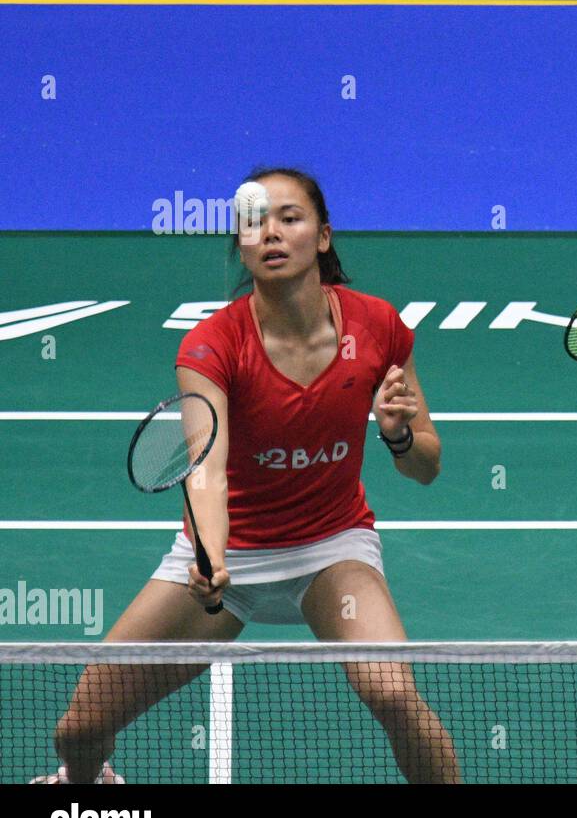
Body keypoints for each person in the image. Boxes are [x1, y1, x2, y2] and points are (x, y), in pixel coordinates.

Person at [36, 168, 459, 783]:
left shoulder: (378, 327)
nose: (272, 234)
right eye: (255, 223)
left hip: (331, 549)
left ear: (322, 236)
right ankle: (85, 788)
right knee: (78, 730)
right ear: (240, 243)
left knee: (393, 695)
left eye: (291, 218)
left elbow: (426, 464)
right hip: (229, 554)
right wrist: (209, 554)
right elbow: (205, 464)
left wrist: (396, 433)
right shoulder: (213, 345)